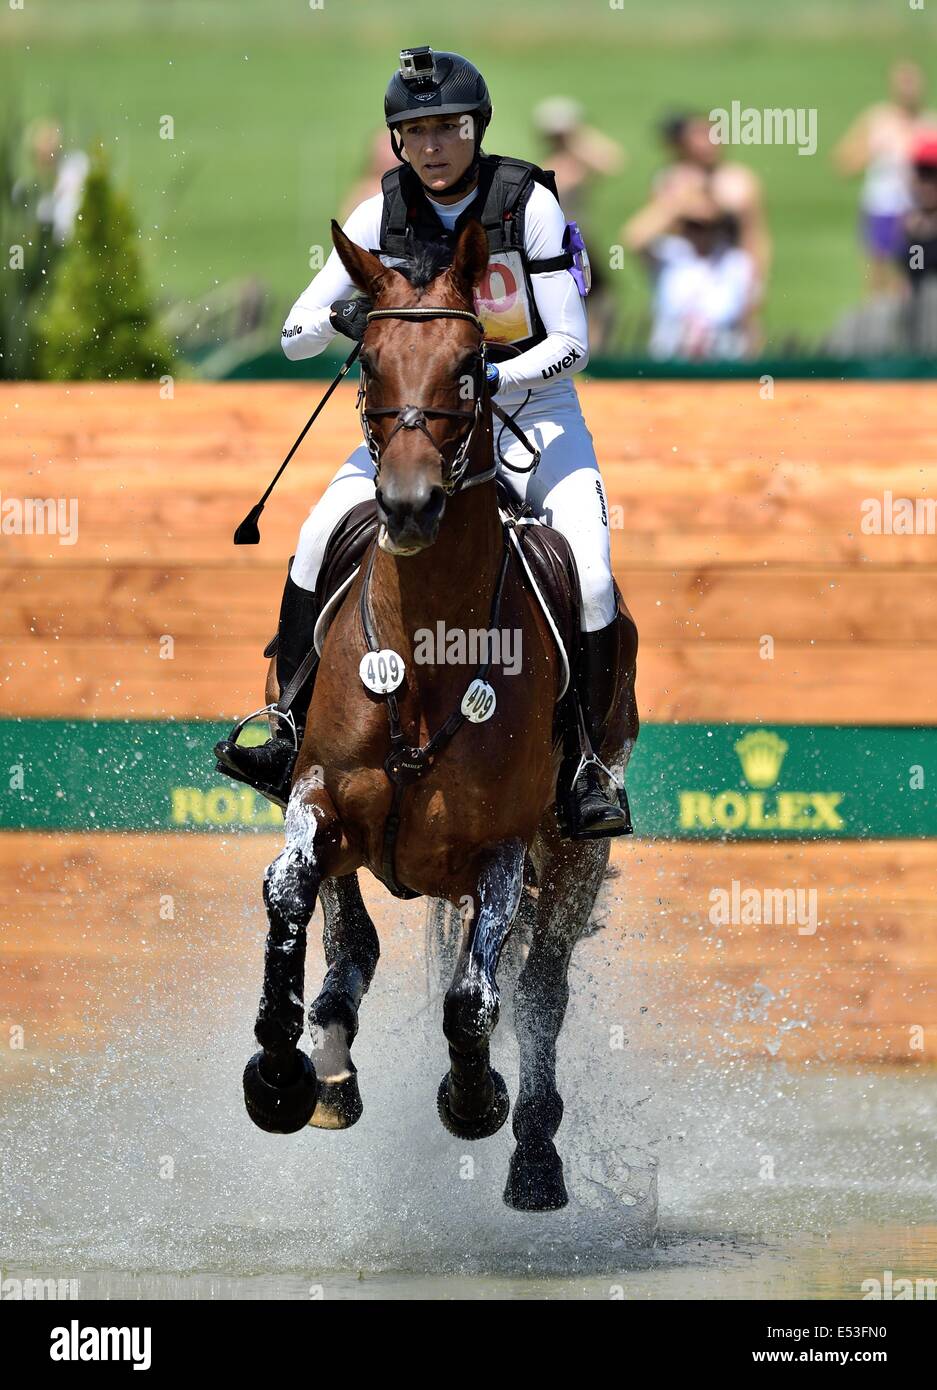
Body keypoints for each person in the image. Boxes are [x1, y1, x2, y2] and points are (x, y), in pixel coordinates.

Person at [217, 47, 629, 838]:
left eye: (448, 128)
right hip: (415, 429)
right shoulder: (382, 212)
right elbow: (294, 332)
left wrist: (475, 382)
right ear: (398, 141)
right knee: (311, 539)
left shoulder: (527, 205)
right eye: (415, 132)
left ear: (476, 130)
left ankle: (585, 767)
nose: (432, 146)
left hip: (534, 412)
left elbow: (572, 344)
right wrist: (349, 321)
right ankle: (285, 731)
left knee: (594, 573)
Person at [834, 61, 937, 297]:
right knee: (877, 279)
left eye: (913, 82)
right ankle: (880, 328)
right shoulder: (878, 120)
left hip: (917, 214)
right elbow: (842, 163)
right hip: (880, 209)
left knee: (912, 275)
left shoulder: (929, 124)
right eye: (904, 82)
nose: (909, 89)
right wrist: (872, 150)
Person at [533, 96, 626, 351]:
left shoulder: (573, 162)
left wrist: (579, 137)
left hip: (581, 240)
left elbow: (613, 161)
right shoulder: (555, 166)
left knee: (599, 297)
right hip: (562, 242)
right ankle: (578, 349)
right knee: (578, 297)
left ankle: (593, 349)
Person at [623, 184, 755, 360]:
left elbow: (746, 316)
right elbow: (634, 238)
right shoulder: (670, 254)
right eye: (693, 225)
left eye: (709, 226)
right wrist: (677, 206)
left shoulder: (736, 262)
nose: (700, 233)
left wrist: (717, 206)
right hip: (669, 360)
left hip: (722, 361)